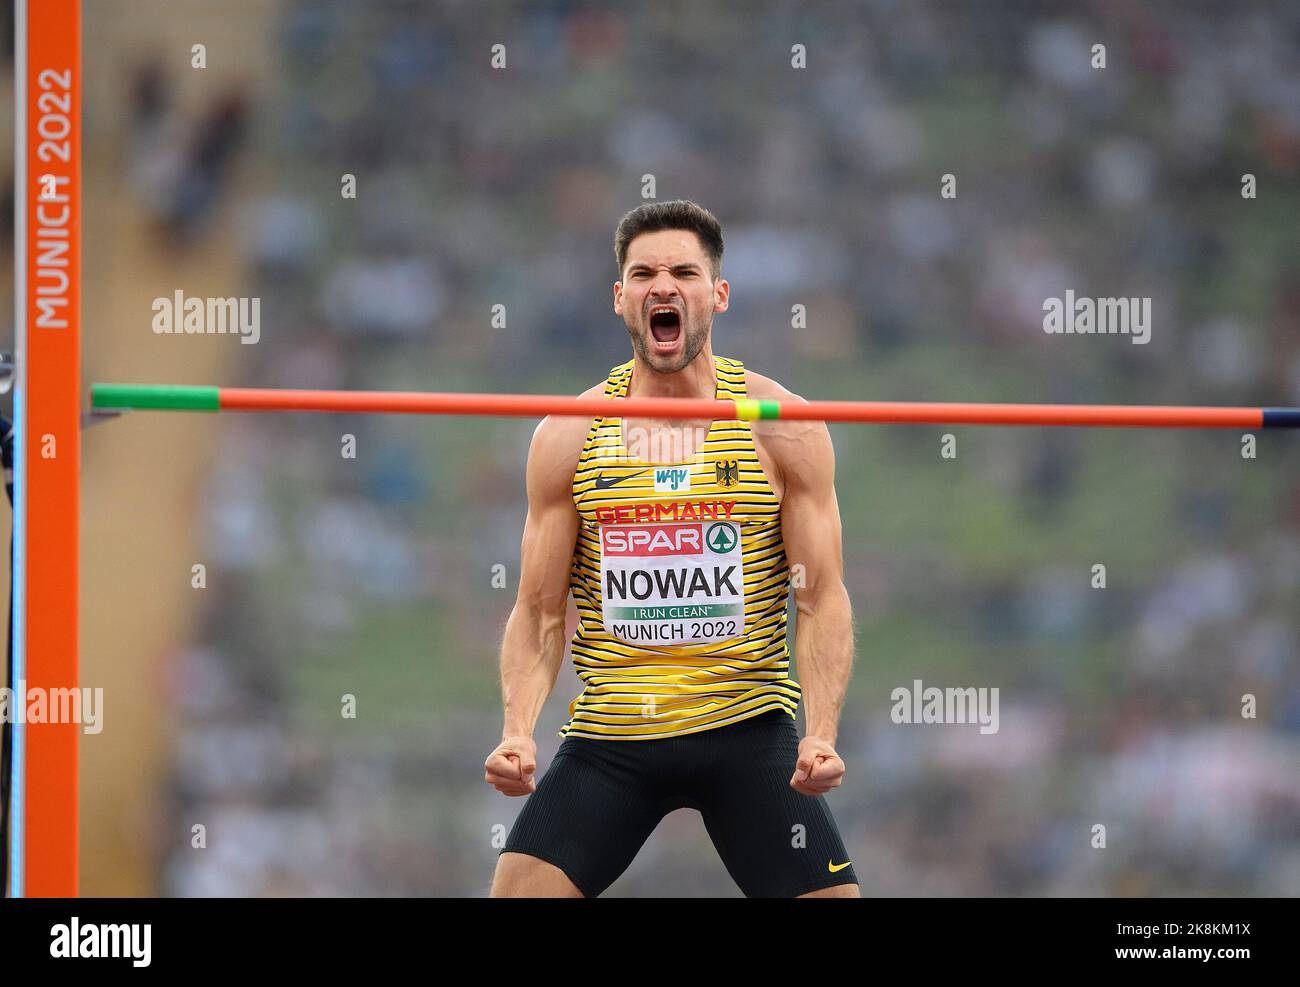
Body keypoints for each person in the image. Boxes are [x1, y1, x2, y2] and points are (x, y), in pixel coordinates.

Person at [485, 200, 858, 897]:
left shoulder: (783, 427)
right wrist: (517, 730)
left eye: (684, 271)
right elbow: (538, 609)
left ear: (717, 294)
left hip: (747, 727)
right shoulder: (569, 434)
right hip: (616, 733)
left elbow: (821, 595)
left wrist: (822, 733)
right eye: (644, 273)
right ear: (620, 297)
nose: (664, 285)